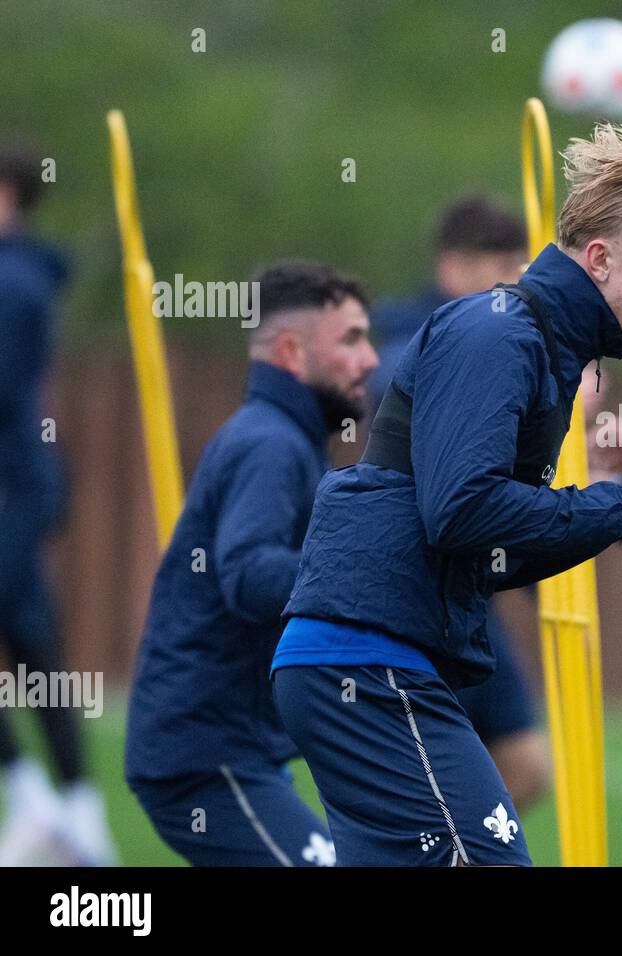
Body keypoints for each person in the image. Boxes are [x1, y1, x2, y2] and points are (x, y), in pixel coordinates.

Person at [271, 111, 622, 867]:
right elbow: (461, 512)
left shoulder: (544, 346)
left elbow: (489, 551)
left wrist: (613, 512)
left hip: (371, 657)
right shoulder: (500, 333)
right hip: (368, 663)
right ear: (600, 259)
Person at [125, 262, 378, 866]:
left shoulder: (286, 437)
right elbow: (248, 572)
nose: (368, 358)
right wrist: (369, 575)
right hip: (207, 761)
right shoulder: (270, 444)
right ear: (291, 351)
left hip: (232, 752)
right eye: (350, 338)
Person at [367, 195, 548, 812]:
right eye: (503, 262)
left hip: (471, 602)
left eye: (524, 262)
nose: (519, 277)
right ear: (454, 266)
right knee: (413, 795)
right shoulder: (415, 344)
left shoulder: (515, 340)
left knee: (526, 765)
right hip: (410, 601)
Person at [0, 143, 117, 866]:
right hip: (22, 486)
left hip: (14, 488)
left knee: (35, 644)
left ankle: (59, 807)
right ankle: (62, 807)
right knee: (33, 641)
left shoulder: (14, 283)